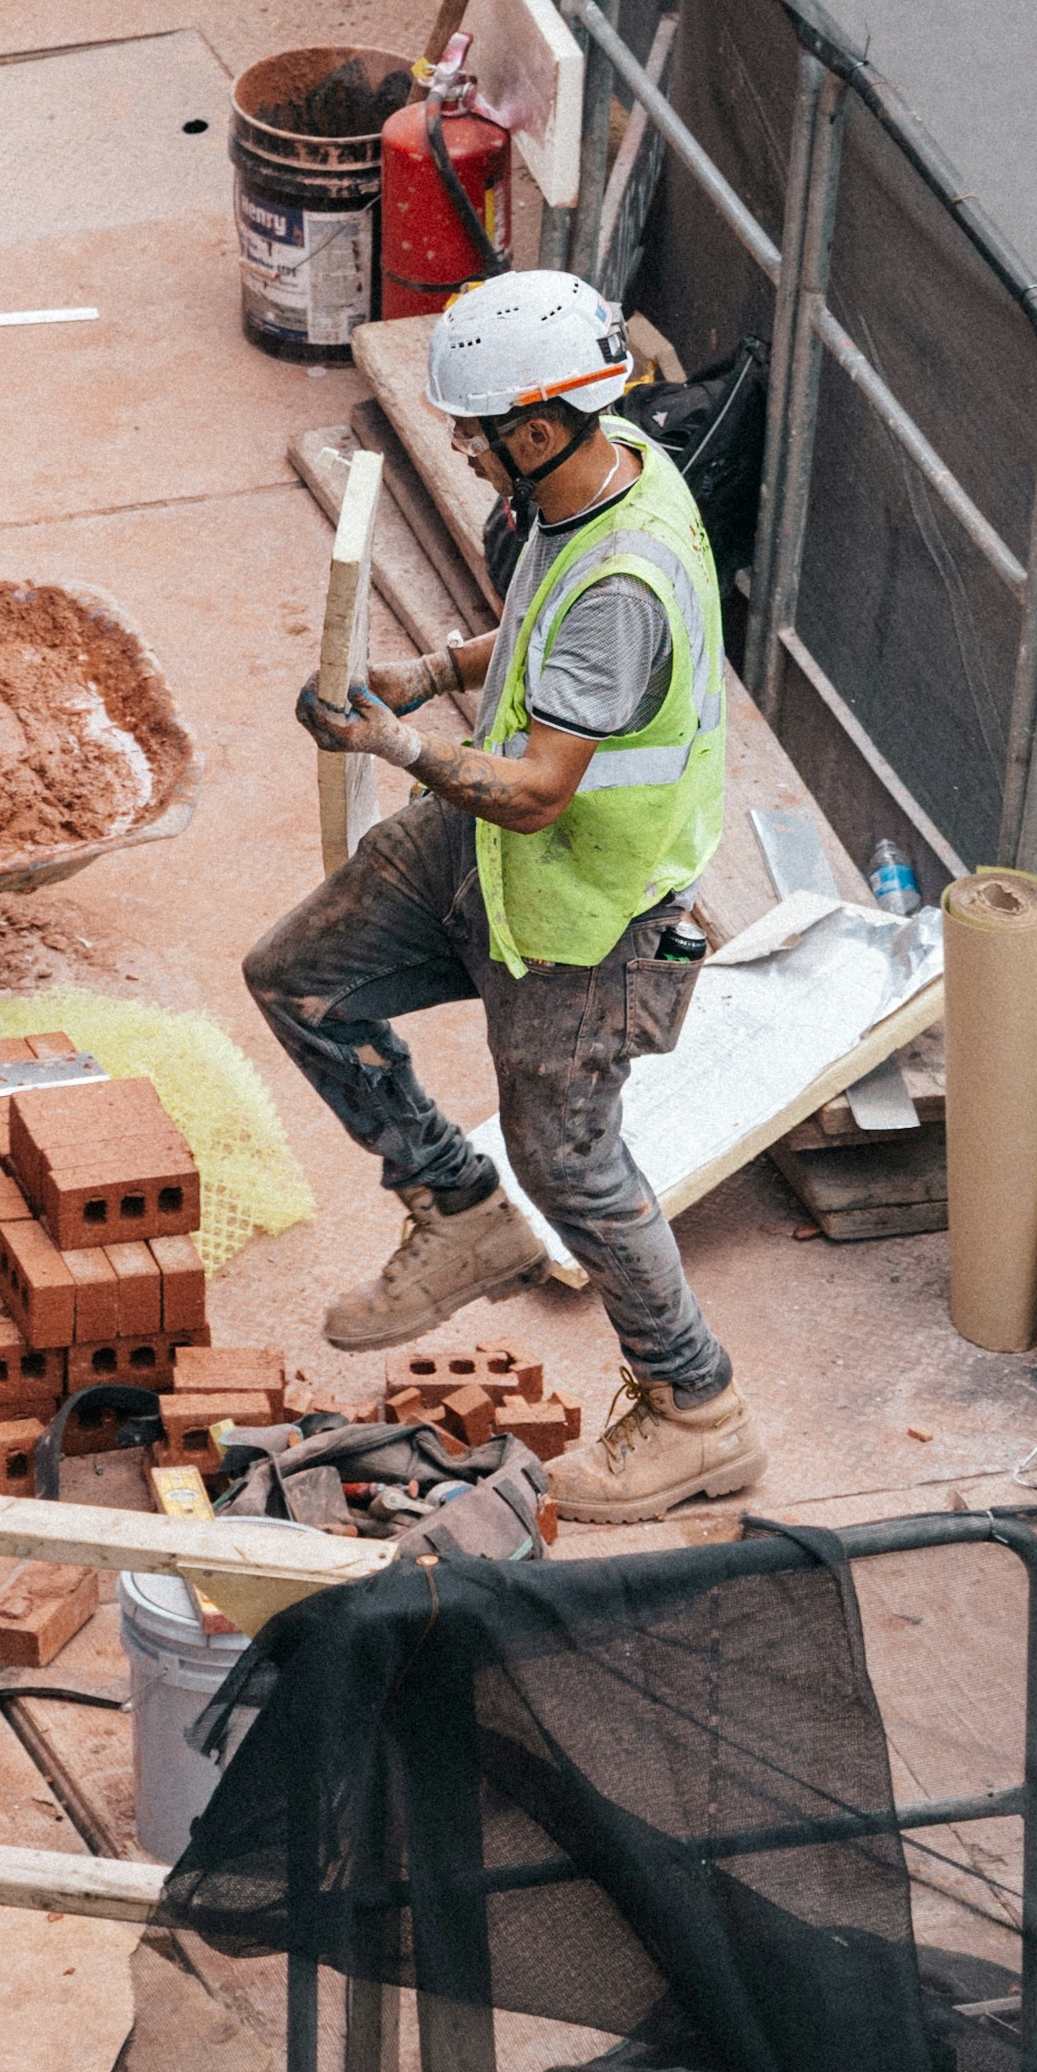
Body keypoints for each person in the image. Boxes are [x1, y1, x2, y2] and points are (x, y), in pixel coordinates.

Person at [248, 267, 762, 1525]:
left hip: (586, 913)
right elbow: (527, 633)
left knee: (574, 1167)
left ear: (541, 428)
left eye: (479, 433)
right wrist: (422, 678)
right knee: (300, 977)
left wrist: (396, 746)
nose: (466, 451)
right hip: (493, 858)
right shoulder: (607, 464)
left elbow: (535, 790)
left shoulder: (624, 585)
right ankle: (456, 1206)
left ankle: (698, 1408)